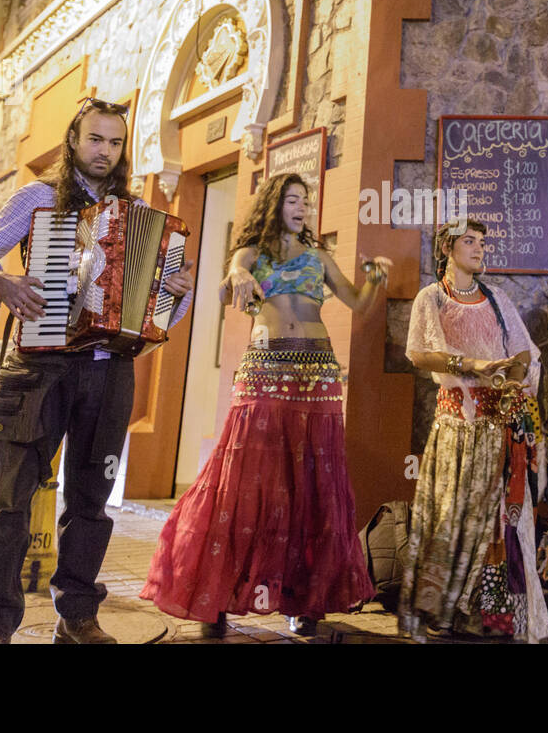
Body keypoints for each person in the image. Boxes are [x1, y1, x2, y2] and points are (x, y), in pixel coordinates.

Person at [0, 98, 194, 644]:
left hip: (109, 370)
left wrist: (176, 294)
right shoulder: (38, 199)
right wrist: (0, 282)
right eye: (95, 140)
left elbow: (155, 315)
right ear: (73, 141)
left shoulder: (139, 215)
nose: (105, 152)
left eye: (115, 143)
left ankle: (77, 616)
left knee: (91, 501)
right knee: (11, 500)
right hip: (38, 368)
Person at [141, 173, 389, 637]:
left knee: (312, 485)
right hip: (264, 370)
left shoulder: (318, 256)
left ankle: (304, 601)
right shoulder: (252, 253)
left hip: (316, 373)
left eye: (305, 201)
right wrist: (236, 275)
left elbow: (357, 303)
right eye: (292, 199)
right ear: (274, 204)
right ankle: (214, 596)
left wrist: (375, 279)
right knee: (243, 483)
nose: (301, 207)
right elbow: (223, 289)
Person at [401, 219, 548, 642]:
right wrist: (472, 366)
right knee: (455, 513)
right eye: (470, 242)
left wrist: (512, 377)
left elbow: (523, 352)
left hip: (499, 422)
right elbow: (418, 353)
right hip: (458, 425)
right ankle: (445, 612)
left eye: (483, 242)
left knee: (500, 521)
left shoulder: (498, 299)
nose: (480, 249)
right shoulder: (431, 298)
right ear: (448, 247)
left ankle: (495, 616)